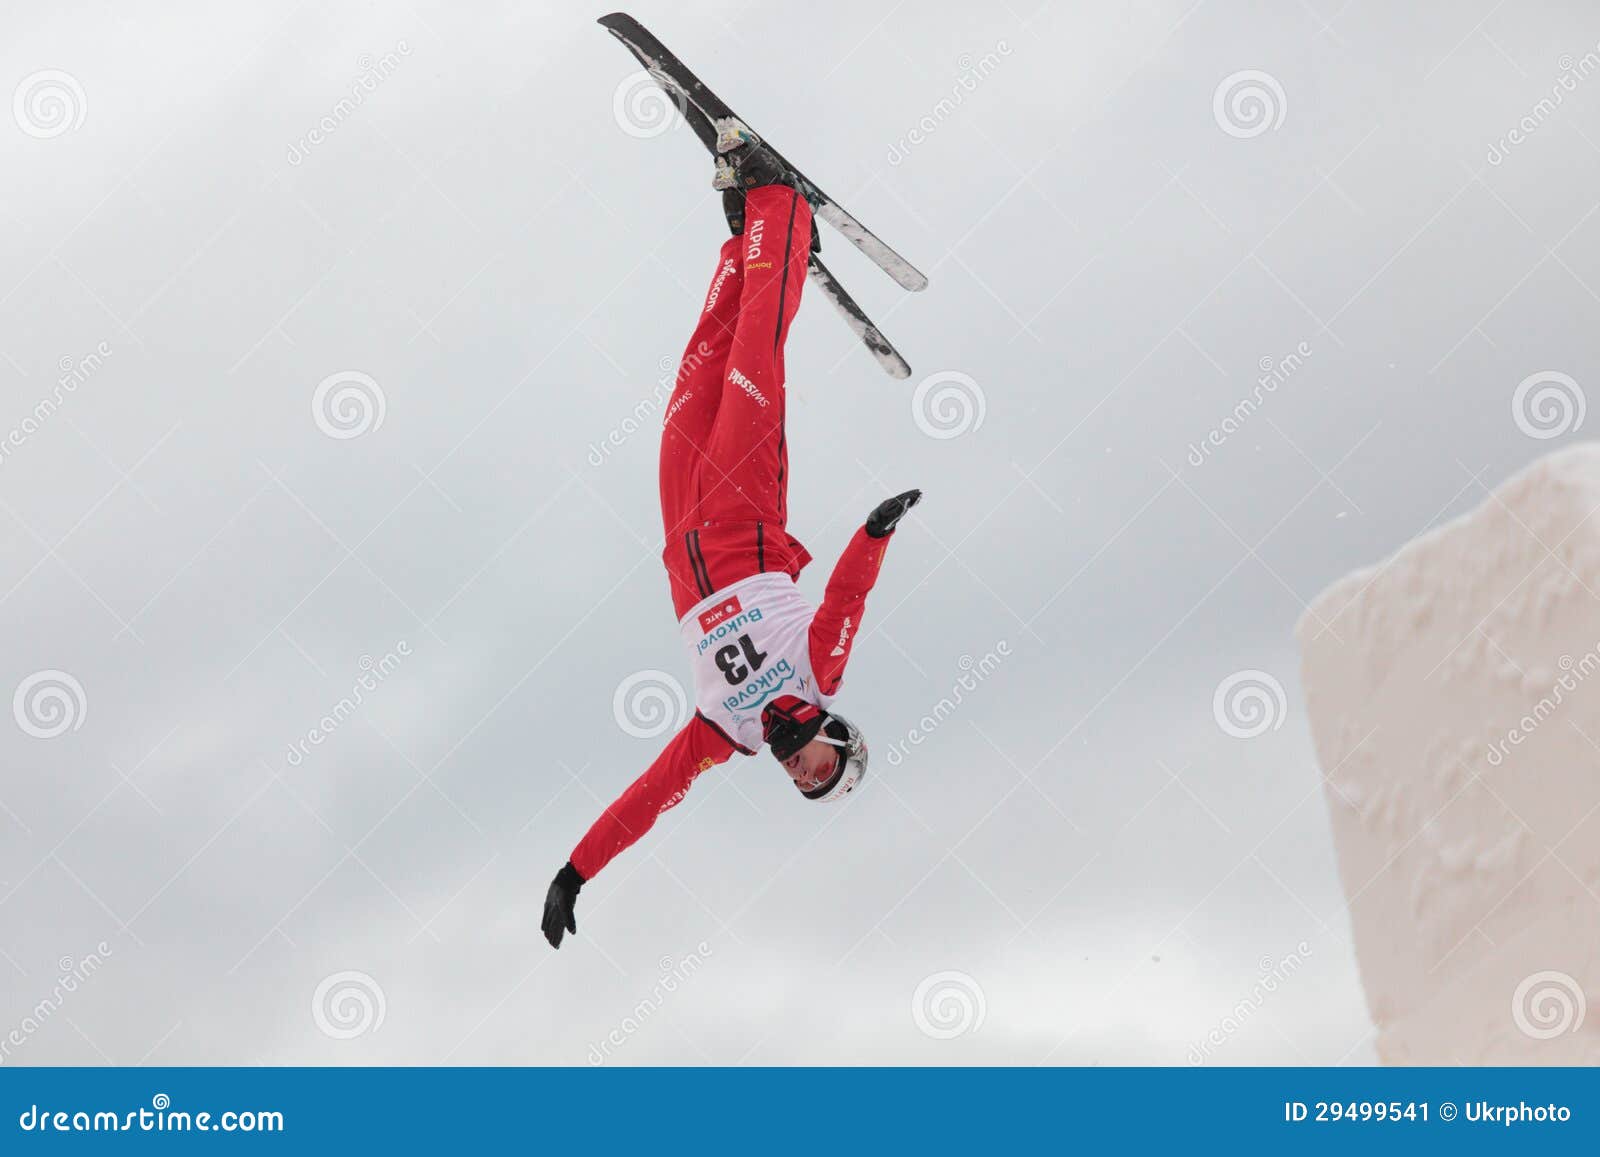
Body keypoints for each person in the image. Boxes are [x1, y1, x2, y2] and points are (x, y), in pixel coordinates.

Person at [541, 137, 921, 949]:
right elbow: (849, 597)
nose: (799, 769)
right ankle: (780, 210)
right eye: (820, 768)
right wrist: (875, 531)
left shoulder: (728, 734)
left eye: (803, 785)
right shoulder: (821, 672)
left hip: (683, 529)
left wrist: (576, 870)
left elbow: (649, 795)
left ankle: (743, 237)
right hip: (747, 512)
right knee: (755, 353)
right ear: (837, 737)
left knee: (699, 365)